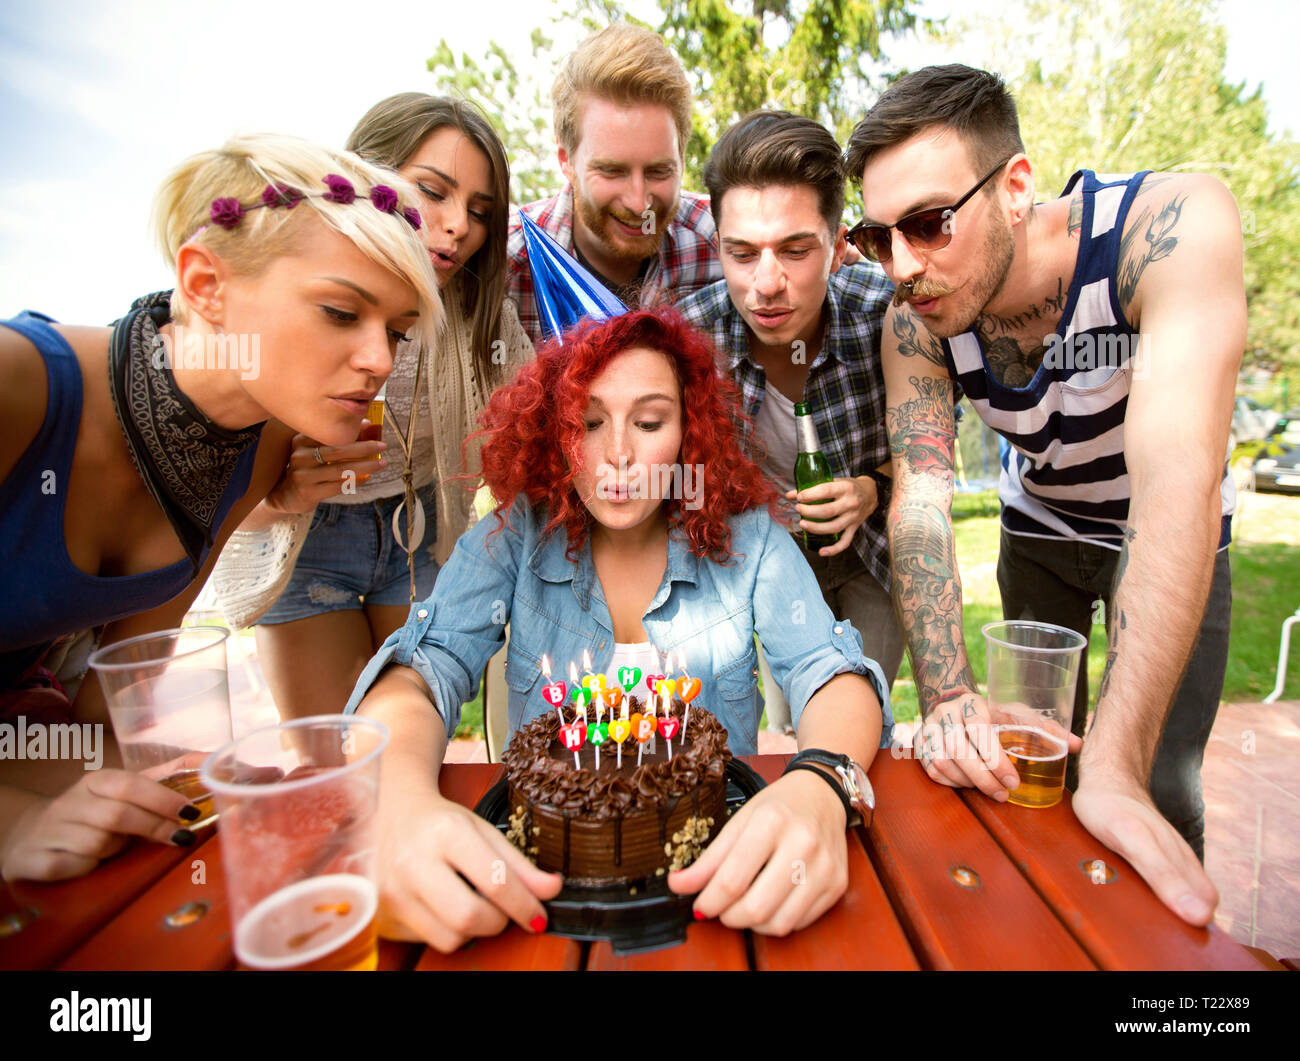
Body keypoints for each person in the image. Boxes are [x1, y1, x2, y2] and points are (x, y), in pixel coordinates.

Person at [342, 309, 892, 952]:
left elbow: (831, 677)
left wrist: (822, 784)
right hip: (539, 898)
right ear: (556, 433)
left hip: (718, 892)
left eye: (650, 421)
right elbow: (421, 670)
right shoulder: (519, 534)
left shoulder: (752, 546)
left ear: (689, 431)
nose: (620, 455)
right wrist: (399, 801)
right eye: (590, 423)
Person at [845, 64, 1243, 926]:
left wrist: (1117, 762)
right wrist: (947, 699)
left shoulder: (1170, 228)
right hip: (1039, 526)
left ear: (1016, 186)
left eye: (928, 223)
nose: (903, 267)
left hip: (1164, 528)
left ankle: (1168, 974)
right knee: (1027, 765)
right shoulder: (912, 315)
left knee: (1152, 781)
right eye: (877, 239)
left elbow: (1178, 482)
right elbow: (919, 498)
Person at [0, 134, 440, 881]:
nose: (381, 361)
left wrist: (216, 788)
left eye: (396, 331)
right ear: (204, 285)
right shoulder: (20, 389)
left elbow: (112, 712)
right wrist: (15, 824)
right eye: (341, 312)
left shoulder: (259, 444)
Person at [213, 95, 535, 720]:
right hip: (309, 537)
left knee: (407, 743)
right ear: (366, 181)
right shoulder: (297, 285)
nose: (457, 225)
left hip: (420, 529)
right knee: (333, 758)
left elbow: (538, 412)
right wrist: (281, 495)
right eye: (431, 192)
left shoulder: (479, 312)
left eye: (479, 210)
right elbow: (202, 490)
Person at [679, 111, 903, 713]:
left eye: (796, 250)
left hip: (872, 560)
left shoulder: (887, 318)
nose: (767, 284)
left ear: (837, 247)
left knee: (867, 718)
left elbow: (931, 455)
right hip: (766, 567)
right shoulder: (690, 338)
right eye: (742, 254)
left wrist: (869, 492)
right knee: (795, 722)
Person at [506, 22, 721, 342]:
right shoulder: (505, 264)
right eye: (612, 171)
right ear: (566, 160)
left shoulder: (725, 241)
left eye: (659, 171)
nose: (639, 203)